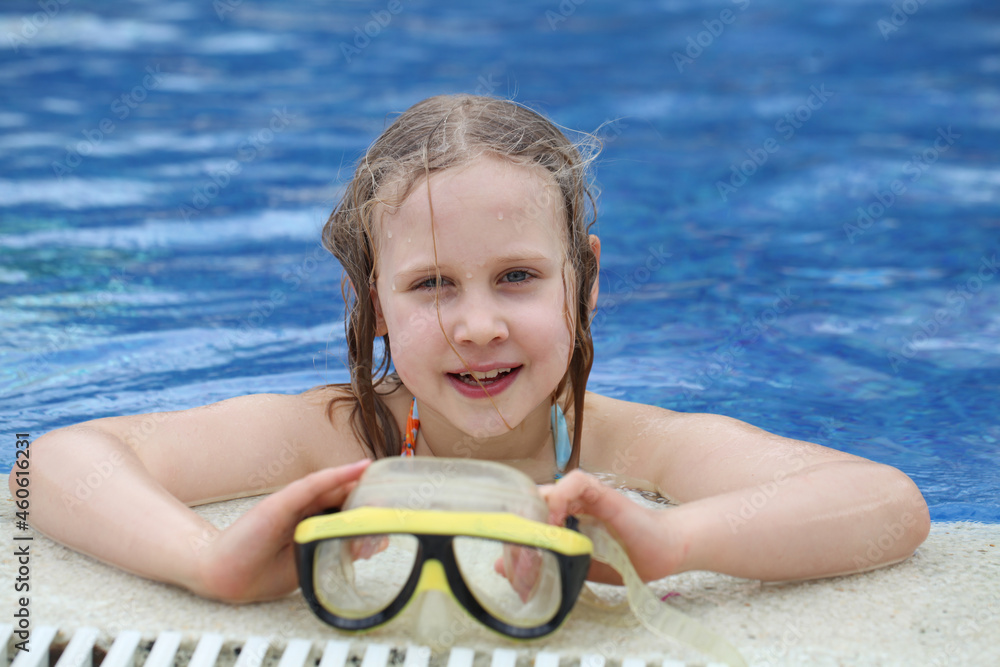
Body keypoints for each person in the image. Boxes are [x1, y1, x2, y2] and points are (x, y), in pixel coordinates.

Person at [20, 94, 930, 603]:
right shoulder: (331, 438)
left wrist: (668, 540)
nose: (478, 324)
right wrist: (203, 558)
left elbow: (887, 502)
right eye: (432, 285)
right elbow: (45, 464)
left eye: (519, 278)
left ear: (587, 279)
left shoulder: (629, 448)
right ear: (374, 300)